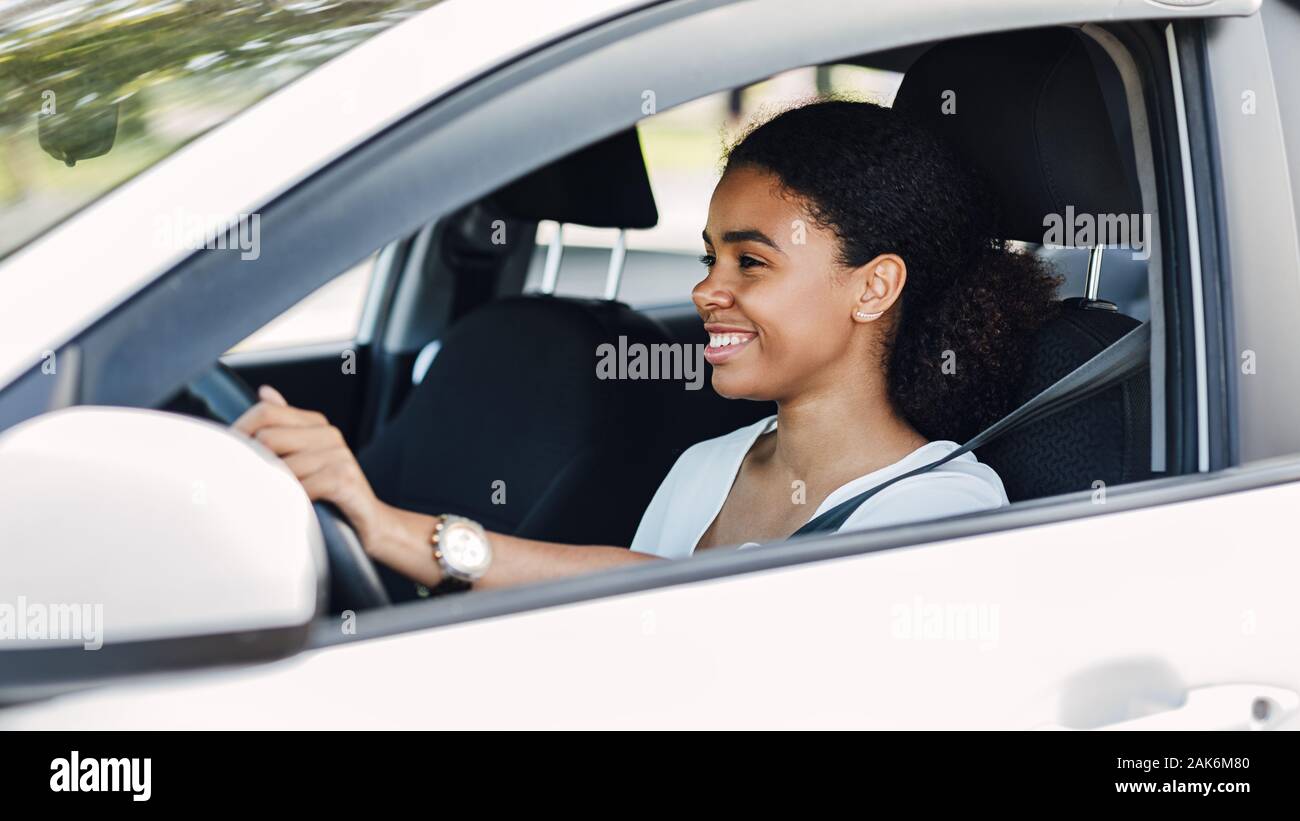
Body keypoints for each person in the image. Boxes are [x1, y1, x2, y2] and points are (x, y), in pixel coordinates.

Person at [234, 99, 1060, 593]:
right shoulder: (709, 465)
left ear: (873, 287)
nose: (708, 289)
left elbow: (702, 612)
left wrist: (397, 531)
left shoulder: (942, 509)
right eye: (709, 258)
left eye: (751, 260)